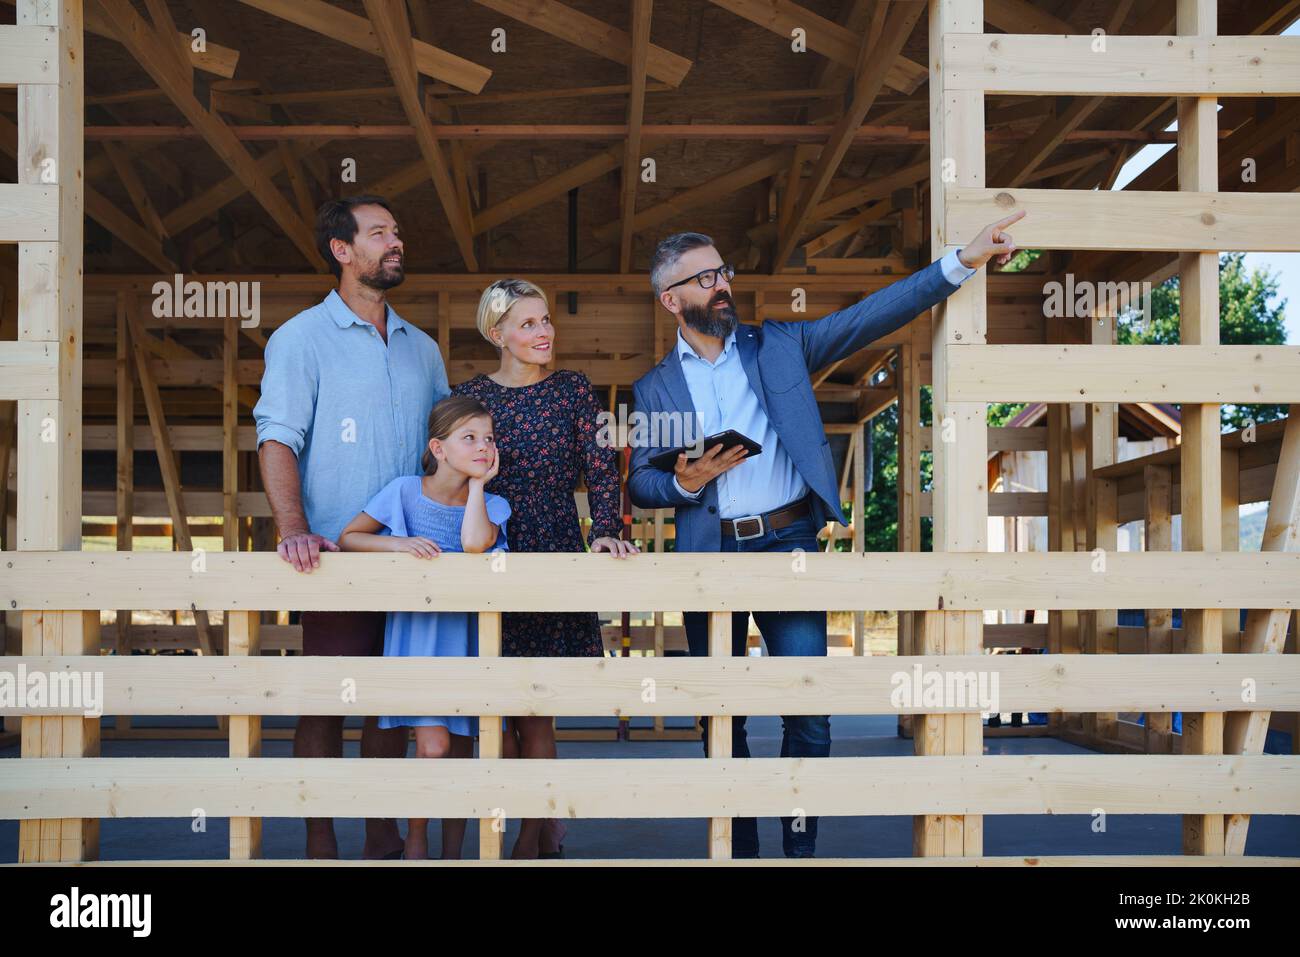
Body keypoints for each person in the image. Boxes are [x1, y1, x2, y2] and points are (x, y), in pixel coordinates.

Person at [627, 213, 1024, 857]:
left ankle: (800, 848)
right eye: (705, 277)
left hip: (789, 545)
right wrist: (688, 480)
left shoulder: (780, 344)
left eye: (723, 269)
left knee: (808, 704)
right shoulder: (654, 388)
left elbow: (872, 315)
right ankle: (741, 849)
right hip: (709, 556)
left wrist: (963, 260)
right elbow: (640, 484)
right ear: (671, 299)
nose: (722, 283)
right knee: (722, 715)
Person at [253, 194, 450, 859]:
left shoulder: (422, 350)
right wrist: (293, 526)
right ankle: (319, 842)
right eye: (378, 233)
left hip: (411, 557)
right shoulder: (300, 338)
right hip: (333, 557)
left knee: (389, 704)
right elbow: (277, 439)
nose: (396, 241)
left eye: (397, 231)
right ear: (342, 250)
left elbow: (443, 450)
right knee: (326, 705)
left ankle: (380, 838)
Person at [454, 278, 638, 859]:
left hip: (555, 546)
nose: (543, 332)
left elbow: (602, 466)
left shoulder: (572, 390)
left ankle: (534, 838)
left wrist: (606, 530)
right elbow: (447, 473)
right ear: (497, 333)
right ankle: (525, 821)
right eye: (528, 323)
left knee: (535, 710)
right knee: (493, 710)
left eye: (546, 321)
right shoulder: (470, 396)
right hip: (490, 549)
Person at [338, 396, 510, 860]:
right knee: (431, 748)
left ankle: (452, 852)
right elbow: (350, 537)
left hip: (470, 639)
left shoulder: (494, 503)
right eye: (468, 438)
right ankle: (416, 840)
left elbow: (475, 544)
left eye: (488, 438)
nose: (482, 446)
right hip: (418, 635)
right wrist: (399, 543)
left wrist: (477, 487)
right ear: (438, 447)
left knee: (459, 755)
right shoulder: (403, 492)